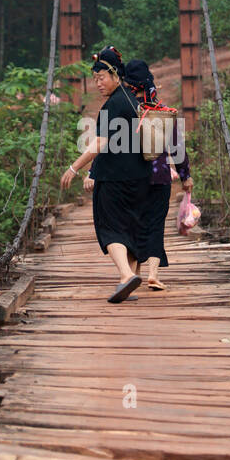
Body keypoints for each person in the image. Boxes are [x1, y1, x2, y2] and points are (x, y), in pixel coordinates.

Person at [60, 46, 150, 303]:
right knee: (131, 228)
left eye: (102, 77)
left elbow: (100, 143)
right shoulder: (133, 100)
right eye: (95, 79)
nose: (98, 83)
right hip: (140, 177)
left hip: (115, 179)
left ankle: (125, 276)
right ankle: (130, 278)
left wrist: (74, 167)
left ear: (115, 75)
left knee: (110, 228)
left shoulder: (113, 105)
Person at [120, 59, 192, 291]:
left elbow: (107, 145)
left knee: (132, 225)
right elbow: (176, 148)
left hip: (131, 179)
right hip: (159, 178)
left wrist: (94, 172)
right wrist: (185, 176)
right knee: (154, 225)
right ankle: (153, 275)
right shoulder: (162, 112)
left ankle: (132, 273)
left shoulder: (124, 110)